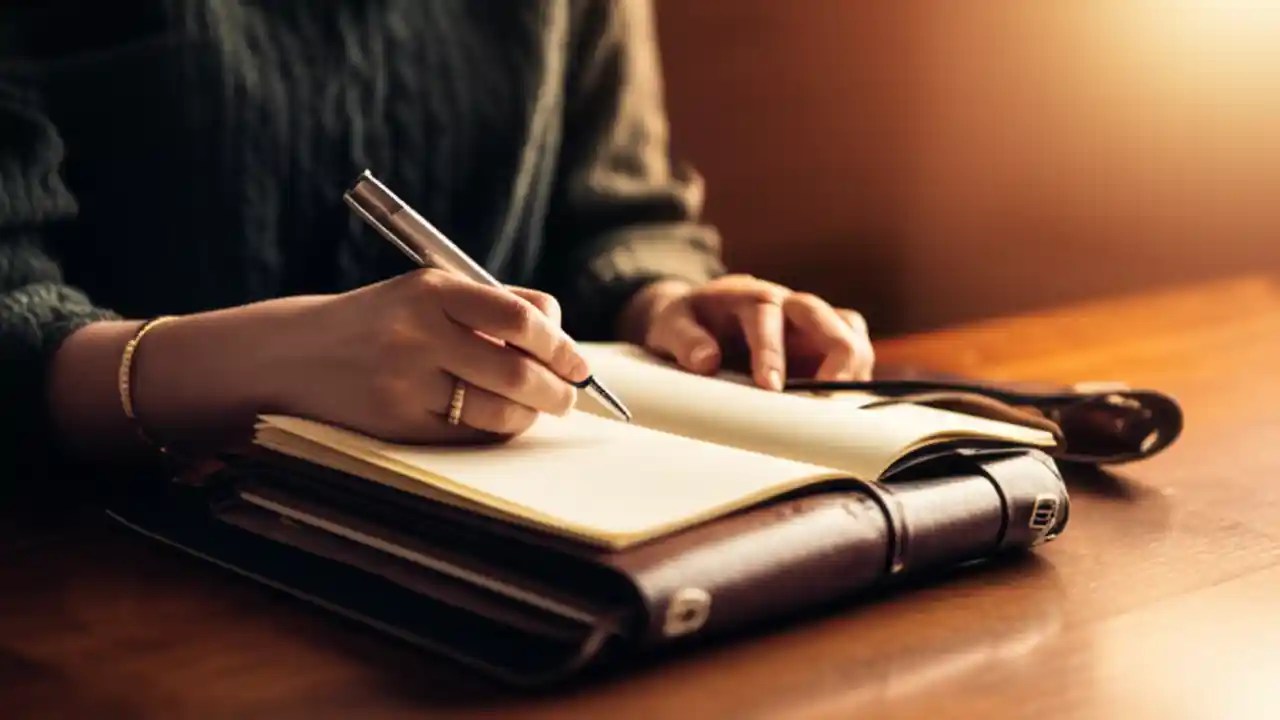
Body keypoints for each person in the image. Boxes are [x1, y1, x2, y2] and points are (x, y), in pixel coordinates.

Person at [0, 1, 873, 486]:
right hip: (110, 553)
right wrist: (246, 364)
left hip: (499, 542)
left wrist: (668, 298)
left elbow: (622, 214)